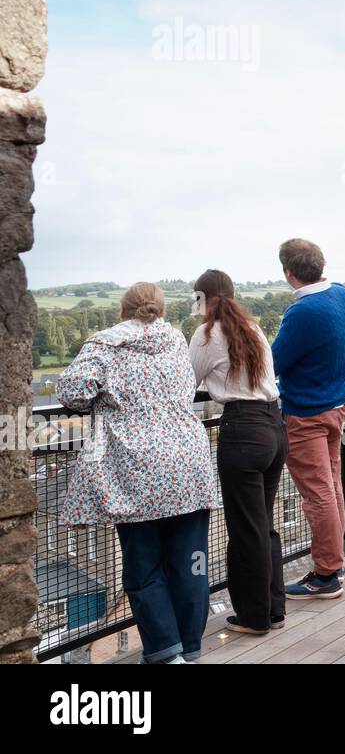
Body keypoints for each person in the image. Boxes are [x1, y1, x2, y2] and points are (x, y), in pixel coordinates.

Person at [57, 282, 218, 664]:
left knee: (143, 567)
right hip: (189, 465)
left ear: (121, 311)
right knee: (191, 563)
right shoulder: (176, 340)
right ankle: (191, 647)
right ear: (160, 311)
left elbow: (72, 392)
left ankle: (165, 653)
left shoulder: (104, 344)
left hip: (136, 472)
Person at [189, 269, 287, 636]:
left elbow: (185, 384)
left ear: (202, 298)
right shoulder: (253, 328)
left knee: (246, 529)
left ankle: (254, 616)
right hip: (275, 426)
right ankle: (274, 610)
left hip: (243, 432)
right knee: (263, 523)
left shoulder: (206, 334)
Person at [271, 238, 345, 599]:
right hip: (338, 405)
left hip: (306, 412)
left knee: (317, 492)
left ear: (288, 273)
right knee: (332, 484)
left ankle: (327, 573)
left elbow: (273, 363)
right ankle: (335, 562)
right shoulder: (343, 294)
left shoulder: (303, 312)